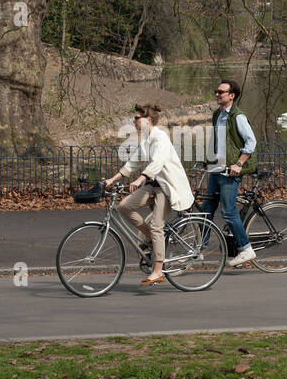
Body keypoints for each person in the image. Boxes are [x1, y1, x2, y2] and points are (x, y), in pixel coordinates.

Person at [104, 104, 194, 286]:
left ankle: (158, 271)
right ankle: (148, 238)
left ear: (149, 120)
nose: (134, 121)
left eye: (137, 118)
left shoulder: (160, 136)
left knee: (157, 226)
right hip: (153, 184)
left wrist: (140, 180)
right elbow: (133, 162)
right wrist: (112, 180)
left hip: (168, 187)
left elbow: (158, 162)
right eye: (134, 118)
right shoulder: (145, 139)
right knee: (125, 206)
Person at [197, 80, 257, 267]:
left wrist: (239, 164)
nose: (217, 94)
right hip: (217, 169)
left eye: (221, 92)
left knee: (228, 211)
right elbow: (218, 142)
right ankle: (199, 249)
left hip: (230, 172)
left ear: (232, 95)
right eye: (216, 91)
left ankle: (246, 249)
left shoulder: (237, 116)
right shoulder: (217, 115)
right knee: (206, 209)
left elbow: (251, 142)